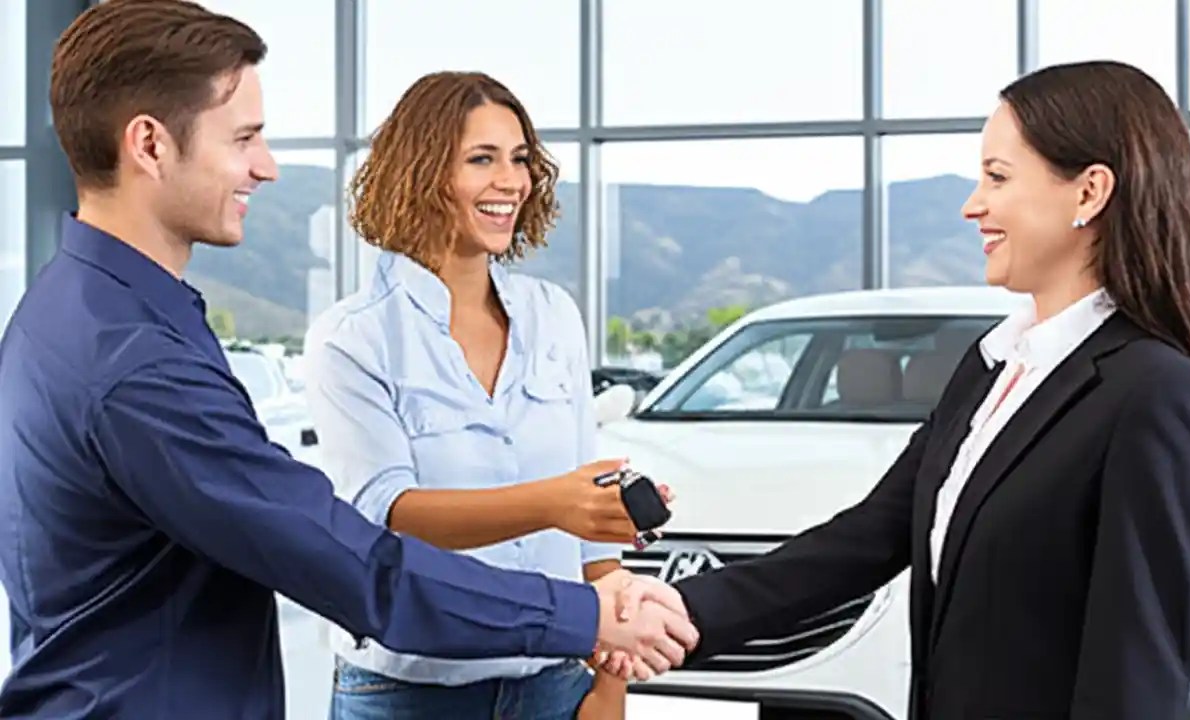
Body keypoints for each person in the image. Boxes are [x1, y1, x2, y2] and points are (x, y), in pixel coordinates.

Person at [0, 2, 696, 718]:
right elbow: (355, 565)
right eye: (243, 138)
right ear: (149, 144)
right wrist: (586, 616)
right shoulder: (135, 359)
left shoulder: (81, 313)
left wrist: (596, 639)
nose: (265, 168)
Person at [611, 60, 1190, 720]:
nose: (973, 204)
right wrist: (689, 606)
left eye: (998, 177)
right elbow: (869, 536)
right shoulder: (996, 367)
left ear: (1088, 193)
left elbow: (1135, 669)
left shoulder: (1158, 394)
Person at [303, 70, 655, 719]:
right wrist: (553, 503)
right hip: (407, 698)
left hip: (557, 685)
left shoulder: (554, 316)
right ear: (423, 172)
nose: (512, 182)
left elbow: (594, 536)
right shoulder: (352, 338)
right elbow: (384, 512)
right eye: (482, 159)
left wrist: (611, 686)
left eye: (520, 159)